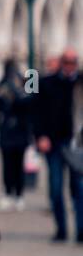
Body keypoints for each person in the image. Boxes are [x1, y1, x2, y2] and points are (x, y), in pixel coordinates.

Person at [32, 48, 83, 243]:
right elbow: (35, 111)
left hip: (77, 144)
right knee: (55, 188)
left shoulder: (80, 83)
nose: (70, 66)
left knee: (79, 188)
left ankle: (81, 231)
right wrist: (40, 136)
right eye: (66, 62)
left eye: (73, 62)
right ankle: (61, 229)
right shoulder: (45, 82)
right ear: (61, 63)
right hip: (53, 143)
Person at [0, 63, 34, 212]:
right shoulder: (2, 92)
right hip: (6, 134)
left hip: (20, 134)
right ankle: (8, 193)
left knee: (18, 166)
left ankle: (19, 194)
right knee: (7, 165)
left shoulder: (26, 92)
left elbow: (30, 103)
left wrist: (20, 89)